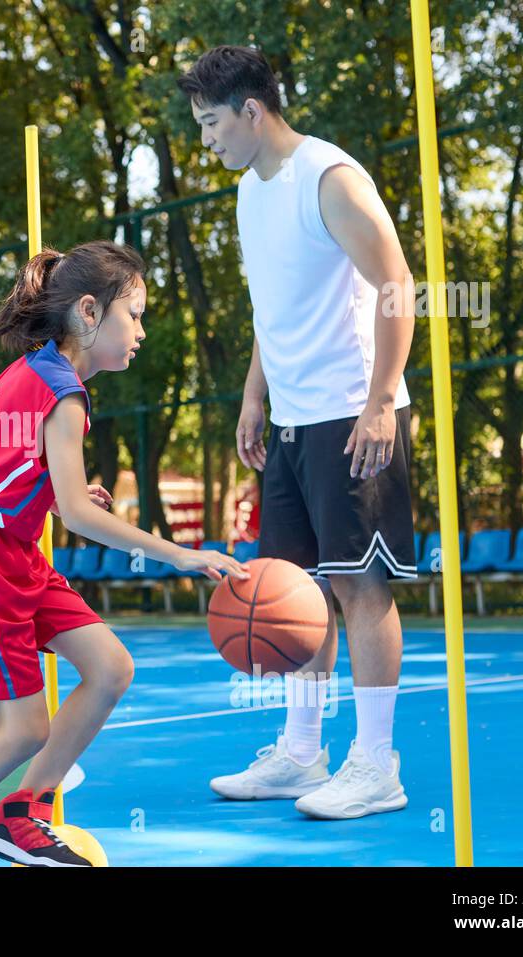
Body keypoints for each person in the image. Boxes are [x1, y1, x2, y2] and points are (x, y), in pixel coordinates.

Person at [0, 241, 247, 867]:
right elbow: (74, 515)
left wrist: (46, 484)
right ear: (90, 312)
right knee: (23, 729)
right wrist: (179, 554)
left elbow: (6, 465)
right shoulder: (61, 393)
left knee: (110, 667)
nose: (142, 332)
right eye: (137, 314)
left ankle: (21, 813)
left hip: (6, 545)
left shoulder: (44, 371)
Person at [178, 45, 417, 819]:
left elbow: (396, 285)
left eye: (211, 123)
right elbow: (270, 308)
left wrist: (382, 398)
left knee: (359, 585)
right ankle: (302, 751)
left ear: (252, 110)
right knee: (296, 591)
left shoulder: (331, 177)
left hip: (352, 410)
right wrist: (254, 395)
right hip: (288, 418)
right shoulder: (252, 192)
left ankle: (377, 762)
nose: (205, 140)